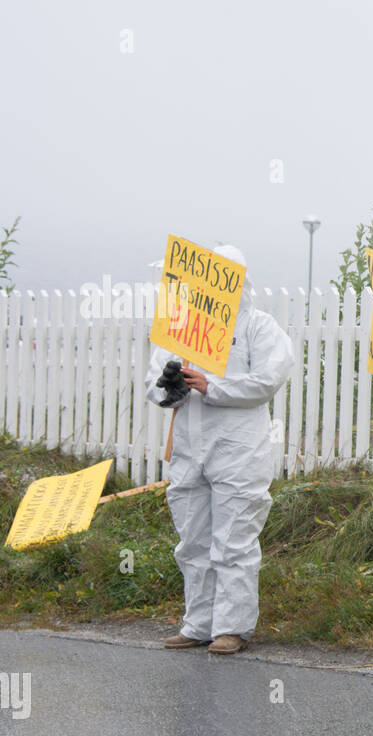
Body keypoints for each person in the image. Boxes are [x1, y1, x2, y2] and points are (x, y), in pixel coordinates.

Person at [148, 245, 294, 654]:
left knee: (233, 539)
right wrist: (168, 387)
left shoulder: (256, 326)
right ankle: (198, 623)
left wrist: (214, 387)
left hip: (237, 449)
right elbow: (153, 381)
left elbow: (269, 378)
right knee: (192, 539)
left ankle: (232, 627)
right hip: (190, 447)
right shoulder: (181, 327)